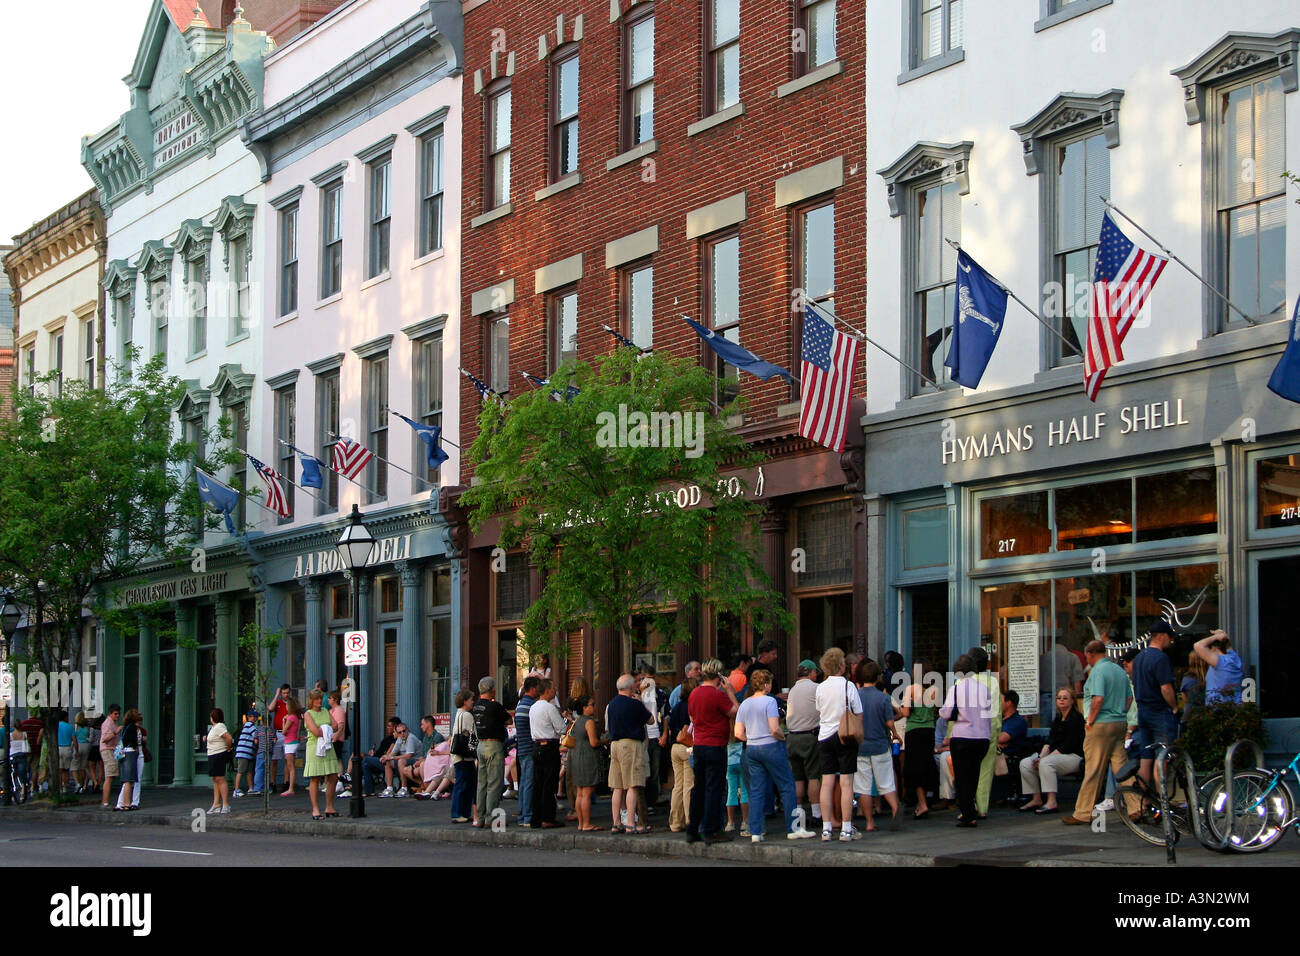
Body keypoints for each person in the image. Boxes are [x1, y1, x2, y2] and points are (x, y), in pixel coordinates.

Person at [735, 669, 817, 843]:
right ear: (765, 685)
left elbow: (738, 733)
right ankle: (794, 828)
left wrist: (751, 737)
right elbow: (774, 728)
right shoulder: (770, 701)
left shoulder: (745, 704)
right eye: (770, 682)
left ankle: (756, 831)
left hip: (752, 748)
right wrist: (783, 737)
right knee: (787, 786)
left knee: (756, 790)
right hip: (771, 746)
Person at [1066, 640, 1134, 826]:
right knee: (1122, 766)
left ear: (1089, 654)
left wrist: (1090, 721)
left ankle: (1082, 812)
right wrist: (1120, 712)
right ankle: (1136, 807)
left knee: (1094, 769)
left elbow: (1098, 699)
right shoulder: (1119, 671)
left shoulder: (1097, 671)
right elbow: (1129, 698)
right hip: (1119, 722)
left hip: (1101, 723)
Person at [686, 659, 739, 845]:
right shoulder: (718, 696)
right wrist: (730, 692)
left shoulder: (694, 694)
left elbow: (691, 716)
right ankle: (711, 829)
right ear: (719, 676)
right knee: (714, 788)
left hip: (698, 744)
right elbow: (736, 712)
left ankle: (693, 828)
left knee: (698, 787)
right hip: (716, 744)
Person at [815, 647, 863, 842]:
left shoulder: (820, 687)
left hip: (824, 736)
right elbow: (858, 712)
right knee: (846, 783)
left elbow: (819, 710)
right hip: (845, 735)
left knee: (826, 782)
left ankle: (826, 828)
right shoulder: (848, 686)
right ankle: (845, 828)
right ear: (841, 665)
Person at [940, 654, 992, 828]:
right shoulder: (984, 689)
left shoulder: (956, 689)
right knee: (974, 774)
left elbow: (946, 713)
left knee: (962, 777)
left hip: (962, 736)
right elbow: (988, 715)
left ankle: (968, 814)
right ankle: (972, 809)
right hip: (982, 737)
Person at [1018, 688, 1084, 814]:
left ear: (1072, 701)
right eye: (1059, 698)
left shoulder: (1076, 719)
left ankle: (1051, 801)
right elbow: (1049, 742)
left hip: (1073, 756)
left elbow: (1068, 745)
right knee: (1026, 763)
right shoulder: (1058, 719)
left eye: (1065, 698)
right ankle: (1036, 798)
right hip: (1055, 756)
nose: (1061, 701)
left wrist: (1044, 759)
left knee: (1046, 763)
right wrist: (1040, 757)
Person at [854, 660, 903, 831]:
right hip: (880, 745)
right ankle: (895, 809)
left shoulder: (856, 696)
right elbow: (889, 722)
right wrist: (895, 734)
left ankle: (869, 822)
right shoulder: (883, 698)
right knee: (886, 782)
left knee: (863, 787)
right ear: (877, 677)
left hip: (860, 747)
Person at [1132, 620, 1180, 791]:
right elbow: (1166, 688)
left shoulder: (1139, 658)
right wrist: (1174, 707)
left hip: (1143, 711)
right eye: (1169, 637)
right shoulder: (1160, 658)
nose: (1170, 641)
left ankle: (1143, 801)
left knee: (1146, 757)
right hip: (1159, 711)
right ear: (1161, 636)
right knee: (1163, 758)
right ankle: (1163, 803)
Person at [607, 673, 652, 833]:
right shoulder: (634, 704)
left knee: (617, 785)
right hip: (631, 744)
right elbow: (651, 719)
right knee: (633, 783)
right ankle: (631, 822)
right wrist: (640, 702)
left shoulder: (611, 704)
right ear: (631, 687)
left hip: (615, 744)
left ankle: (616, 822)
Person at [784, 660, 822, 826]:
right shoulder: (816, 688)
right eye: (815, 672)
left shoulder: (792, 690)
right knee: (813, 776)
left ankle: (798, 814)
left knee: (798, 777)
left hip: (792, 738)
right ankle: (816, 814)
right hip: (809, 736)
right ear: (811, 672)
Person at [900, 659, 937, 818]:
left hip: (914, 731)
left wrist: (898, 708)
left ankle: (921, 803)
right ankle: (927, 800)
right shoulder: (935, 689)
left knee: (914, 767)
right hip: (929, 730)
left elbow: (906, 712)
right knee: (926, 764)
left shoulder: (910, 689)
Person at [968, 647, 1002, 818]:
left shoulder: (962, 682)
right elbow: (996, 711)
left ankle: (968, 805)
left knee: (966, 771)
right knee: (985, 771)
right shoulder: (993, 682)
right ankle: (982, 807)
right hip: (988, 730)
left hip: (967, 732)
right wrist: (996, 730)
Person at [472, 676, 510, 828]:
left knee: (481, 783)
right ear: (492, 690)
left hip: (480, 745)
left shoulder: (476, 707)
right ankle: (491, 818)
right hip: (494, 745)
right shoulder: (495, 706)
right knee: (494, 783)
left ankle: (479, 817)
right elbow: (508, 720)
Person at [528, 679, 566, 827]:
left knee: (538, 783)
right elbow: (561, 728)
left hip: (536, 745)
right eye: (554, 688)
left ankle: (535, 817)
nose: (555, 691)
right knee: (549, 783)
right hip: (549, 745)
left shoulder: (533, 707)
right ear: (548, 690)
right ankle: (547, 817)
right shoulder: (549, 708)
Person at [565, 694, 602, 831]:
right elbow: (594, 742)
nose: (594, 707)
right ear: (585, 707)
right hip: (587, 757)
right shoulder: (589, 722)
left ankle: (581, 823)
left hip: (576, 757)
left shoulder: (577, 721)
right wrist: (604, 740)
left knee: (580, 793)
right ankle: (586, 823)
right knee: (586, 793)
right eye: (592, 704)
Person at [302, 688, 341, 819]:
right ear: (311, 701)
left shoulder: (325, 711)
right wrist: (327, 728)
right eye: (316, 699)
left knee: (333, 776)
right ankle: (315, 809)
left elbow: (336, 726)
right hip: (315, 747)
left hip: (327, 746)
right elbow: (315, 731)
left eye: (320, 698)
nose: (319, 701)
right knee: (316, 778)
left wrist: (324, 728)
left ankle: (329, 807)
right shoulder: (308, 714)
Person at [666, 678, 695, 832]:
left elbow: (669, 725)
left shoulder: (676, 706)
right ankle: (690, 820)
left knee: (678, 785)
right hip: (688, 746)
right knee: (689, 785)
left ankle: (676, 822)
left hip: (675, 747)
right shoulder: (692, 706)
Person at [513, 675, 540, 825]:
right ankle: (528, 815)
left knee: (524, 782)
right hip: (529, 747)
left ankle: (523, 814)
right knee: (529, 782)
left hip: (521, 747)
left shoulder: (520, 705)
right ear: (533, 689)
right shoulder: (531, 706)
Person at [449, 690, 477, 823]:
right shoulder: (467, 715)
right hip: (464, 756)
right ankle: (459, 813)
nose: (473, 701)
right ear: (465, 701)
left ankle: (462, 812)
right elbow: (472, 734)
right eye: (471, 699)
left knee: (465, 784)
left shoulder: (459, 714)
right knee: (464, 784)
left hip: (459, 755)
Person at [1195, 629, 1244, 705]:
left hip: (1219, 711)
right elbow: (1228, 646)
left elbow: (1197, 646)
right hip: (1235, 708)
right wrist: (1223, 636)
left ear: (1213, 648)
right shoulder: (1234, 657)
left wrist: (1216, 637)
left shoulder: (1221, 663)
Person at [205, 708, 234, 814]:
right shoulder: (214, 728)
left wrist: (228, 747)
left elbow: (228, 737)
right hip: (212, 754)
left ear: (213, 717)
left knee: (220, 779)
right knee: (215, 779)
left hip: (218, 754)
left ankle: (225, 804)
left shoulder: (219, 726)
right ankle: (216, 804)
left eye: (211, 716)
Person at [381, 724, 422, 796]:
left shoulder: (410, 738)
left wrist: (392, 757)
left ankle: (404, 788)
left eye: (404, 731)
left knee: (401, 760)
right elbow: (393, 753)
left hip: (417, 760)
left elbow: (409, 755)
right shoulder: (399, 739)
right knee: (388, 762)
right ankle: (389, 788)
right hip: (407, 760)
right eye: (399, 732)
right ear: (397, 733)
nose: (402, 733)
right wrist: (385, 757)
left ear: (407, 730)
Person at [115, 709, 142, 811]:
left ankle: (122, 803)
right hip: (130, 753)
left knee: (126, 780)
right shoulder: (133, 728)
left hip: (123, 753)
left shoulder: (125, 728)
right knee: (129, 780)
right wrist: (136, 750)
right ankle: (127, 804)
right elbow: (133, 742)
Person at [267, 684, 290, 791]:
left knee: (287, 759)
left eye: (287, 693)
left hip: (288, 733)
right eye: (284, 693)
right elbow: (270, 708)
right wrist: (276, 695)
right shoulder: (279, 703)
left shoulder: (291, 703)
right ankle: (272, 782)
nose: (286, 695)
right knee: (275, 759)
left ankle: (286, 782)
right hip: (277, 733)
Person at [98, 704, 121, 809]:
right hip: (108, 750)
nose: (117, 716)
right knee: (109, 776)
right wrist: (115, 732)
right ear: (110, 713)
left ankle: (105, 801)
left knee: (110, 776)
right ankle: (105, 802)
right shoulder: (108, 724)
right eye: (115, 714)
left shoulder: (112, 723)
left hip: (112, 749)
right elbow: (105, 739)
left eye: (118, 714)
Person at [280, 694, 303, 797]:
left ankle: (290, 788)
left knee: (290, 766)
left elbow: (284, 731)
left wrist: (283, 721)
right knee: (291, 765)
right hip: (294, 741)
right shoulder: (297, 718)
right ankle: (291, 787)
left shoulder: (291, 717)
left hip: (290, 743)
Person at [233, 710, 259, 797]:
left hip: (248, 752)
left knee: (249, 771)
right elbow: (256, 736)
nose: (255, 718)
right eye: (253, 717)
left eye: (255, 717)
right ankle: (236, 790)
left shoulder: (249, 726)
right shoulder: (249, 725)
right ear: (249, 717)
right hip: (244, 752)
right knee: (240, 771)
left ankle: (251, 788)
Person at [1180, 652, 1207, 732]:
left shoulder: (1187, 678)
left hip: (1188, 717)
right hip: (1205, 718)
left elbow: (1185, 699)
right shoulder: (1209, 678)